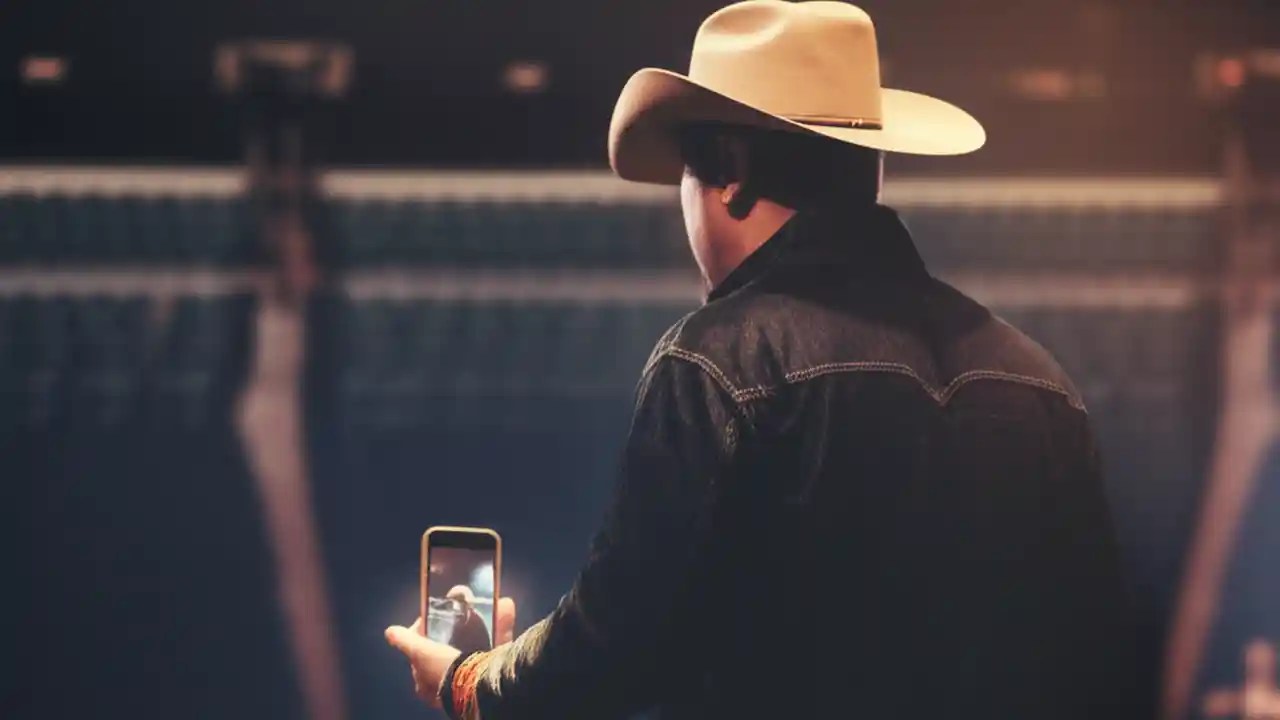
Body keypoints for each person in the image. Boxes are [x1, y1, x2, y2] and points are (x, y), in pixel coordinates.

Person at [387, 2, 1141, 718]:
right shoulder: (1038, 382)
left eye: (686, 171)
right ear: (873, 172)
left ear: (729, 168)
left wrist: (470, 682)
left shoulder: (717, 363)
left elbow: (613, 645)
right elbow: (1103, 669)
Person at [444, 585, 492, 658]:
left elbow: (485, 651)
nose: (455, 608)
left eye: (459, 602)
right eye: (451, 604)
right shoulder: (457, 624)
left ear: (467, 605)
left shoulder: (477, 623)